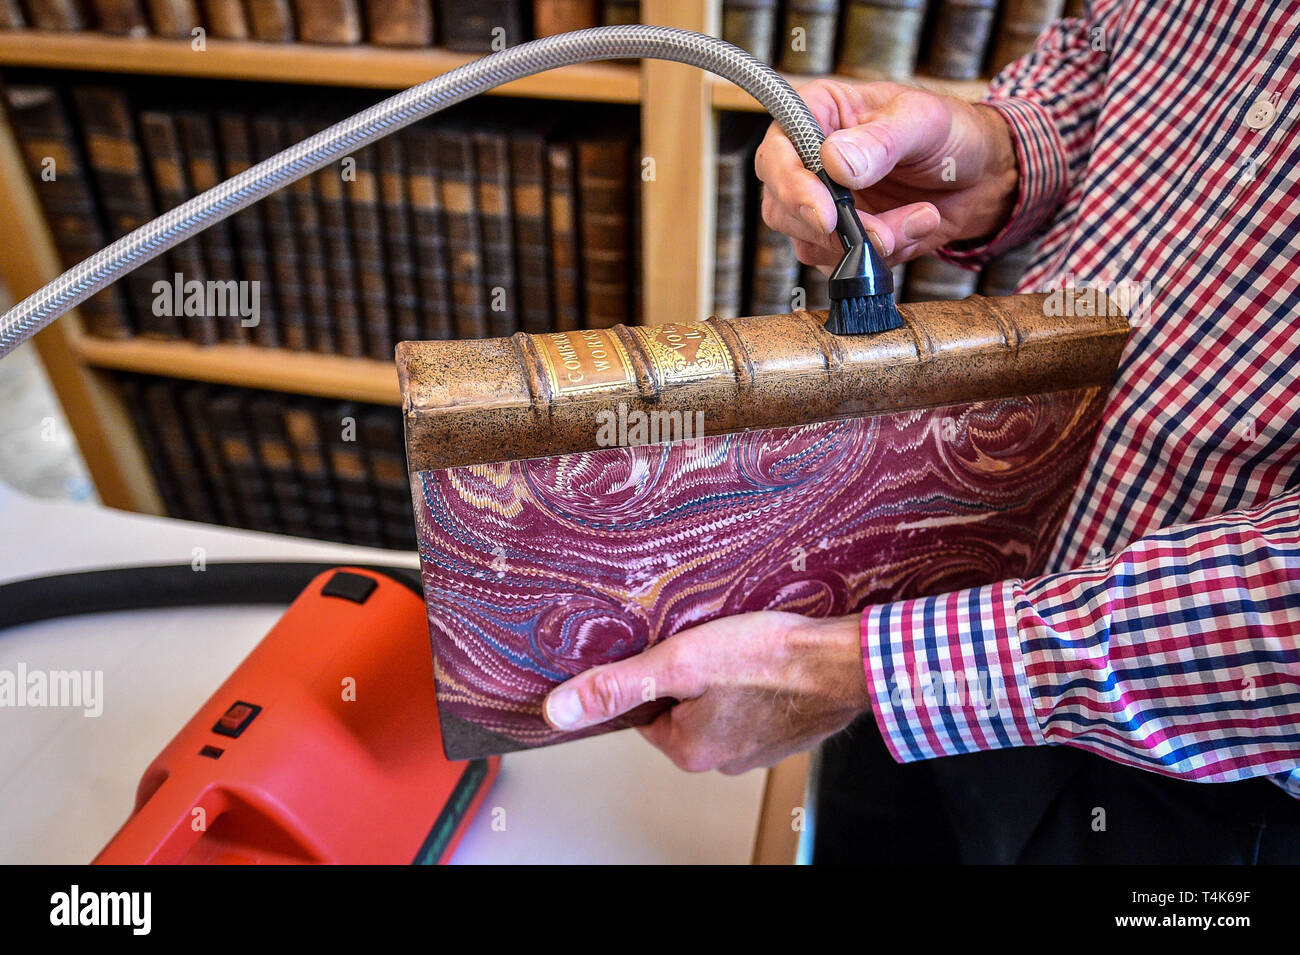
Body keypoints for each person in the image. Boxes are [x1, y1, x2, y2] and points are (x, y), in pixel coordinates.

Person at [543, 0, 1300, 862]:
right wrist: (996, 153)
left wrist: (854, 669)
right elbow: (1097, 63)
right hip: (952, 602)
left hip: (1208, 781)